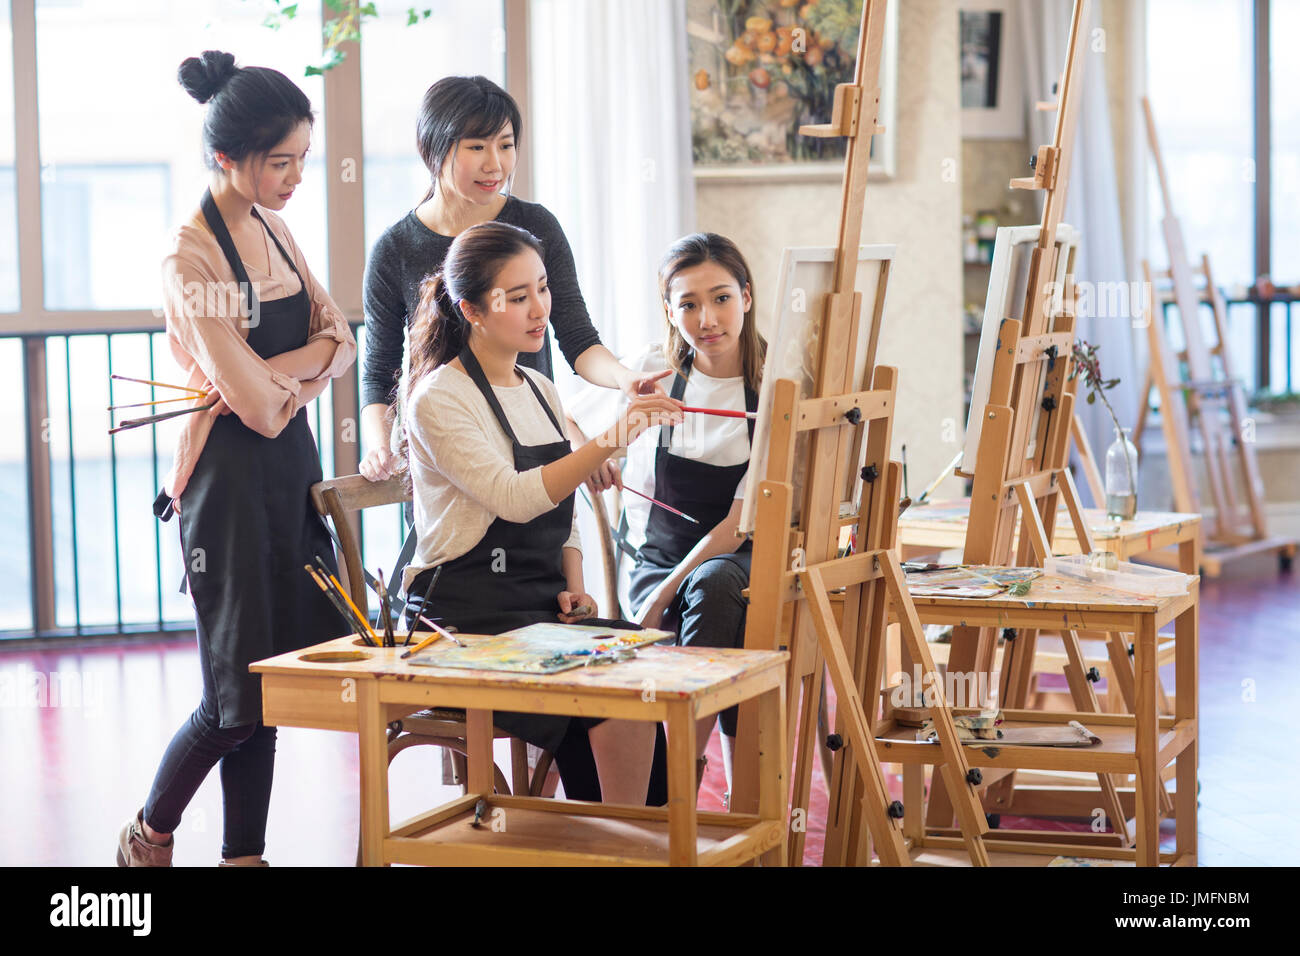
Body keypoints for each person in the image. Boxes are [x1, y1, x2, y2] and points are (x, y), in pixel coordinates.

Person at [117, 51, 356, 867]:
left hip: (289, 470)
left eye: (302, 160)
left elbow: (344, 344)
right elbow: (250, 409)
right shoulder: (190, 258)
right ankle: (149, 833)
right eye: (279, 162)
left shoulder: (276, 229)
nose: (294, 178)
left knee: (276, 683)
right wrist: (290, 377)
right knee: (232, 699)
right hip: (222, 481)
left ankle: (242, 857)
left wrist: (272, 375)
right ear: (228, 156)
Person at [398, 220, 683, 805]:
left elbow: (566, 511)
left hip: (537, 606)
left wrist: (574, 587)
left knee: (633, 664)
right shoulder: (438, 398)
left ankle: (628, 838)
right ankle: (621, 838)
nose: (539, 310)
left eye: (544, 289)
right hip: (462, 623)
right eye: (517, 296)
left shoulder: (539, 388)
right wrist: (618, 433)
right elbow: (517, 496)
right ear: (471, 309)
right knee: (605, 689)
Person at [359, 74, 664, 487]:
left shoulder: (535, 225)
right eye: (477, 147)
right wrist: (379, 444)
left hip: (535, 444)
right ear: (432, 147)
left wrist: (625, 379)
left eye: (505, 145)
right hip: (449, 454)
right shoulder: (395, 250)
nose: (495, 164)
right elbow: (378, 372)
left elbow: (577, 338)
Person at [566, 233, 765, 797]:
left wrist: (659, 601)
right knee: (721, 602)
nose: (707, 318)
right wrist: (594, 461)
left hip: (736, 561)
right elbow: (563, 415)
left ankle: (679, 771)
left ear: (747, 298)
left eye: (722, 298)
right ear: (669, 310)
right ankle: (709, 785)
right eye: (689, 303)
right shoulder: (654, 373)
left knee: (719, 583)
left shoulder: (773, 384)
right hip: (654, 560)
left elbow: (735, 526)